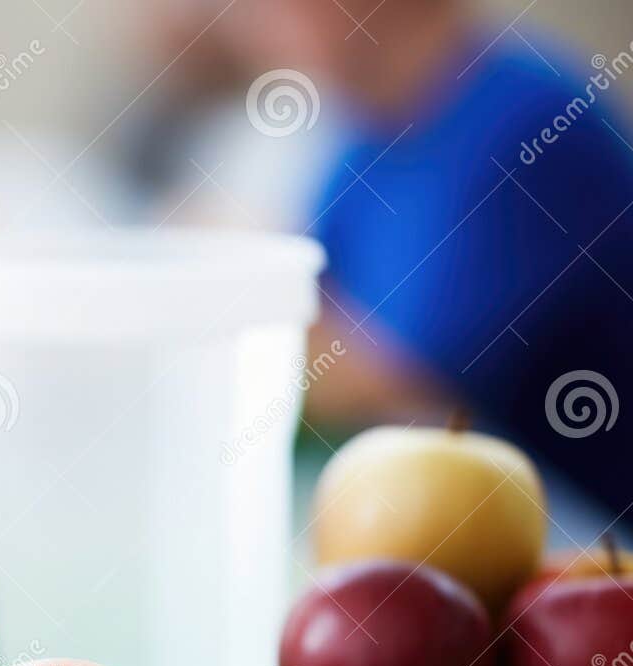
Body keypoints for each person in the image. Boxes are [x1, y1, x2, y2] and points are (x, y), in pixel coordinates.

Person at [257, 0, 631, 519]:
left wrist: (238, 288)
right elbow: (315, 310)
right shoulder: (363, 140)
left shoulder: (529, 123)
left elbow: (397, 393)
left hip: (583, 551)